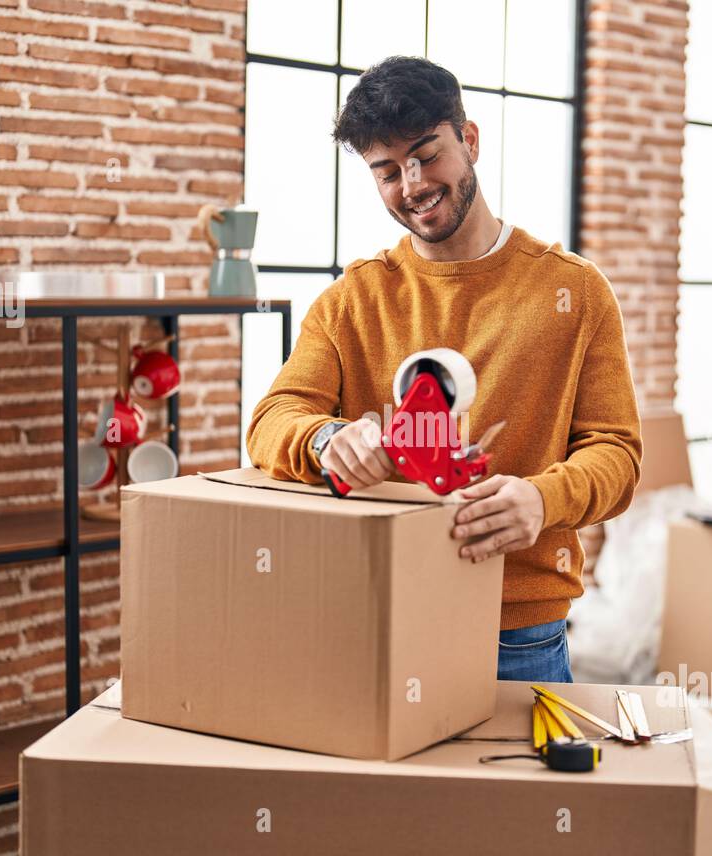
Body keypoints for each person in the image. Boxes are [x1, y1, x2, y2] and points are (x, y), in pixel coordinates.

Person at [246, 56, 642, 682]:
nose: (412, 185)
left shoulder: (576, 291)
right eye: (387, 172)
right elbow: (272, 420)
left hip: (518, 638)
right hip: (374, 617)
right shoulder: (353, 298)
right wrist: (328, 440)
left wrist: (542, 500)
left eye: (427, 155)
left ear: (471, 140)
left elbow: (616, 454)